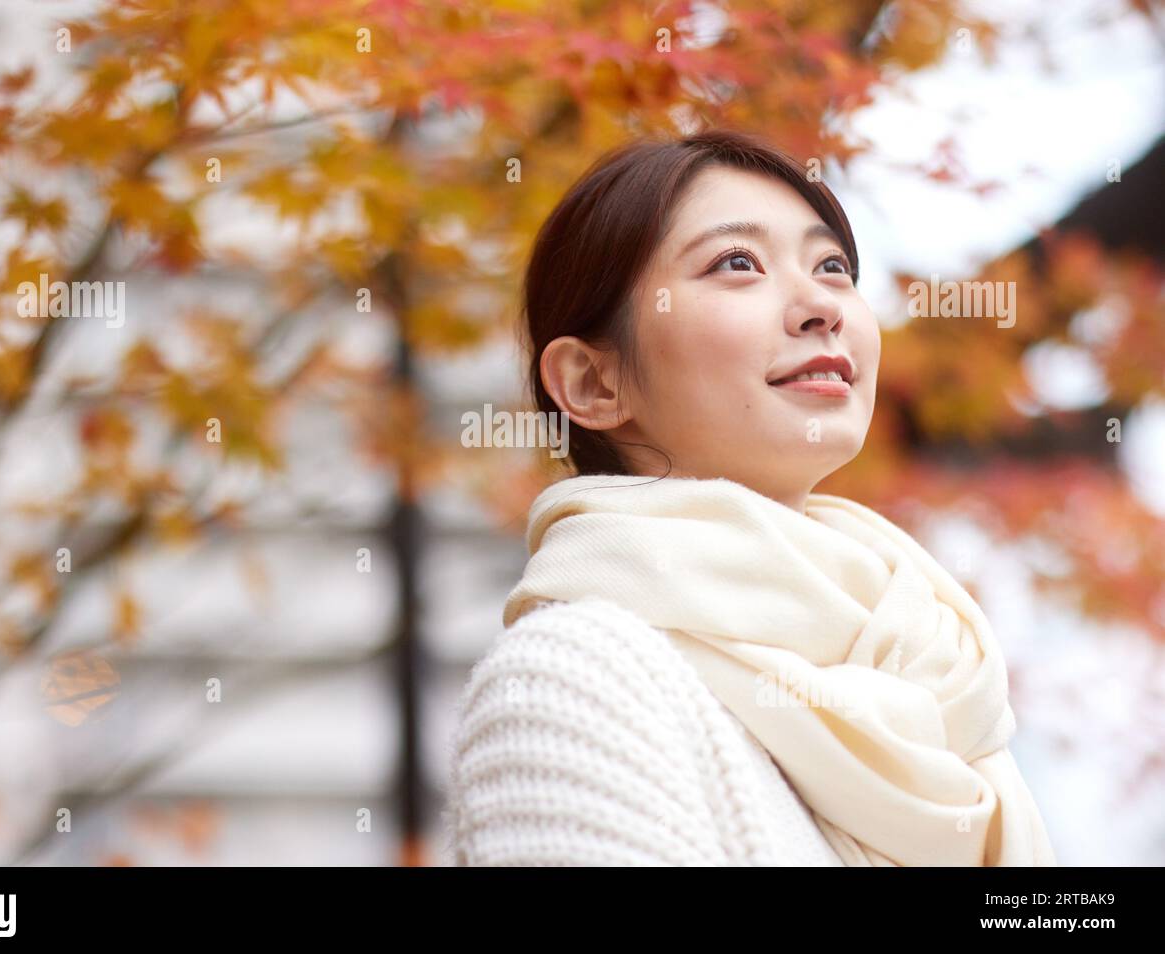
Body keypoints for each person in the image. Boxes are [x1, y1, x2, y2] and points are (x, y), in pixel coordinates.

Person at [443, 129, 1056, 867]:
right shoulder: (570, 682)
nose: (820, 306)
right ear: (593, 385)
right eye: (737, 263)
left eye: (833, 267)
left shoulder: (934, 671)